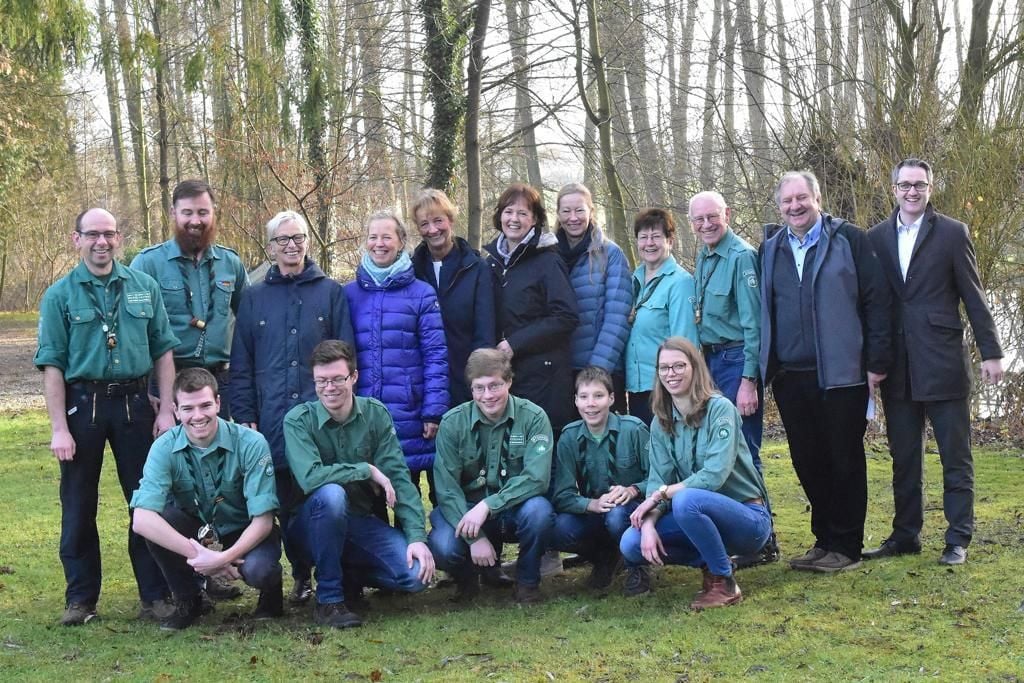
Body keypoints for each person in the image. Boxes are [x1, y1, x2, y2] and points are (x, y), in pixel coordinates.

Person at [35, 208, 179, 626]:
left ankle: (155, 595)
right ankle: (81, 599)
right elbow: (53, 366)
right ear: (75, 239)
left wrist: (167, 408)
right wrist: (59, 427)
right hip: (84, 407)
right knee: (78, 504)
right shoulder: (59, 296)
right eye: (92, 234)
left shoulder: (143, 286)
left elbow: (164, 351)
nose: (102, 242)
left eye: (109, 234)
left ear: (119, 239)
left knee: (146, 502)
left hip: (136, 405)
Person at [865, 158, 1004, 566]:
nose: (912, 192)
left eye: (919, 185)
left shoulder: (952, 233)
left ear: (930, 188)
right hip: (898, 367)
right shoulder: (875, 238)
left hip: (943, 361)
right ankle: (905, 534)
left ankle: (957, 538)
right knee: (904, 456)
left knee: (954, 457)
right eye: (905, 185)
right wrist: (871, 361)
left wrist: (992, 352)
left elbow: (974, 296)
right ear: (893, 189)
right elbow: (873, 305)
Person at [760, 171, 891, 573]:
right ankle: (823, 540)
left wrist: (876, 362)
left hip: (842, 373)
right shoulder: (769, 248)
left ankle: (847, 546)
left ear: (818, 198)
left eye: (802, 198)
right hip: (790, 376)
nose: (795, 206)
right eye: (787, 201)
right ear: (779, 206)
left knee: (844, 459)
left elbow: (877, 302)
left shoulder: (850, 239)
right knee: (807, 460)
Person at [230, 210, 354, 603]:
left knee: (316, 498)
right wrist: (245, 415)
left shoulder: (330, 293)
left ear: (308, 241)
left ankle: (318, 573)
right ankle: (286, 579)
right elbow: (242, 362)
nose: (291, 246)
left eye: (297, 237)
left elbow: (346, 355)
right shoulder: (253, 298)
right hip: (270, 419)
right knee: (279, 499)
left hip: (322, 419)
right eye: (282, 240)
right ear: (270, 248)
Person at [282, 340, 435, 628]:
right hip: (310, 526)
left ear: (354, 377)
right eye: (321, 381)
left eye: (338, 379)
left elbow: (399, 478)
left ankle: (349, 573)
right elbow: (311, 478)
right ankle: (329, 600)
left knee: (415, 577)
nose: (329, 387)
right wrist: (365, 470)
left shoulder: (375, 414)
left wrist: (416, 537)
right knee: (331, 495)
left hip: (358, 523)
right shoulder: (298, 420)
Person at [620, 338, 772, 609]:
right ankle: (712, 561)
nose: (671, 374)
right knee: (631, 542)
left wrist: (662, 494)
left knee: (686, 500)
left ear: (695, 368)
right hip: (697, 516)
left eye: (679, 366)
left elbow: (714, 475)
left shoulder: (720, 409)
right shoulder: (660, 421)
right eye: (664, 368)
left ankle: (724, 583)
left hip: (747, 518)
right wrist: (650, 523)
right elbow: (658, 480)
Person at [130, 368, 283, 630]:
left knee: (260, 569)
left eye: (205, 405)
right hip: (197, 534)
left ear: (219, 404)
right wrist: (202, 556)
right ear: (176, 411)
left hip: (244, 532)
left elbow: (264, 520)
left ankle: (271, 594)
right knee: (161, 520)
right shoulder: (164, 447)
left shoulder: (251, 443)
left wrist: (224, 558)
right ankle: (188, 600)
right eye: (188, 408)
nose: (198, 416)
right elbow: (141, 519)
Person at [689, 190, 777, 568]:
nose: (707, 225)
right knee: (719, 452)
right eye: (699, 220)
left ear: (728, 214)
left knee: (746, 452)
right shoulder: (705, 255)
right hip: (710, 363)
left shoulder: (741, 257)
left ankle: (765, 539)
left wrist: (749, 381)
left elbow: (754, 325)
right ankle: (738, 535)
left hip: (736, 359)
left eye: (713, 217)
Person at [429, 348, 556, 604]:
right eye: (479, 388)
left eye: (495, 385)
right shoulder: (453, 423)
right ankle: (467, 579)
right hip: (466, 511)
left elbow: (537, 478)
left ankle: (527, 583)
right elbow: (446, 489)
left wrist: (489, 505)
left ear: (509, 381)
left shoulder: (533, 417)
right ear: (471, 389)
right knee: (443, 545)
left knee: (539, 512)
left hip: (512, 510)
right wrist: (473, 538)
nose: (487, 396)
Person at [345, 210, 449, 503]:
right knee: (371, 499)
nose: (379, 243)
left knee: (409, 496)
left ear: (401, 242)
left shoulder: (422, 294)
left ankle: (419, 547)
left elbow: (436, 355)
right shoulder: (349, 295)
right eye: (373, 237)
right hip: (364, 415)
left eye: (386, 237)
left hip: (410, 411)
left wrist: (433, 410)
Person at [131, 179, 248, 419]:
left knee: (219, 453)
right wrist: (143, 387)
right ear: (173, 213)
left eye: (203, 212)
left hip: (220, 383)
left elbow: (250, 321)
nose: (196, 221)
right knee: (168, 454)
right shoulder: (148, 264)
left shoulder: (231, 263)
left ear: (214, 213)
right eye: (187, 213)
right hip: (167, 383)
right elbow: (131, 331)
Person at [483, 183, 579, 436]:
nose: (514, 219)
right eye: (508, 211)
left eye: (523, 213)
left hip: (544, 378)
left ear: (535, 219)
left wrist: (515, 344)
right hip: (504, 377)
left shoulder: (547, 260)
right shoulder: (490, 263)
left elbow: (565, 316)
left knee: (543, 455)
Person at [550, 367, 649, 589]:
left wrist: (632, 490)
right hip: (595, 511)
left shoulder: (633, 430)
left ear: (612, 398)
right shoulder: (569, 437)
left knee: (615, 517)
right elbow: (562, 495)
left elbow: (658, 479)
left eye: (598, 396)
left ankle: (638, 567)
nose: (591, 404)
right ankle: (604, 558)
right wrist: (592, 504)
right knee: (558, 528)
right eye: (583, 397)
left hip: (630, 511)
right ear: (575, 401)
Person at [410, 188, 497, 406]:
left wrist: (477, 381)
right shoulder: (412, 271)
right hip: (424, 383)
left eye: (438, 221)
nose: (432, 230)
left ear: (450, 220)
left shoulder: (476, 268)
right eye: (424, 224)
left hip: (466, 381)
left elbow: (484, 332)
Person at [554, 183, 632, 413]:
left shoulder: (610, 254)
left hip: (602, 372)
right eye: (566, 211)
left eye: (579, 210)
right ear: (558, 214)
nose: (573, 218)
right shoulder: (549, 254)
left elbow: (617, 318)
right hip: (561, 372)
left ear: (591, 211)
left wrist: (596, 373)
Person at [623, 208, 698, 427]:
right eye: (643, 237)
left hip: (665, 388)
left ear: (670, 241)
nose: (649, 243)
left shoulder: (680, 283)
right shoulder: (633, 280)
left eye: (656, 237)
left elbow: (685, 343)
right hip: (637, 388)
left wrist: (680, 392)